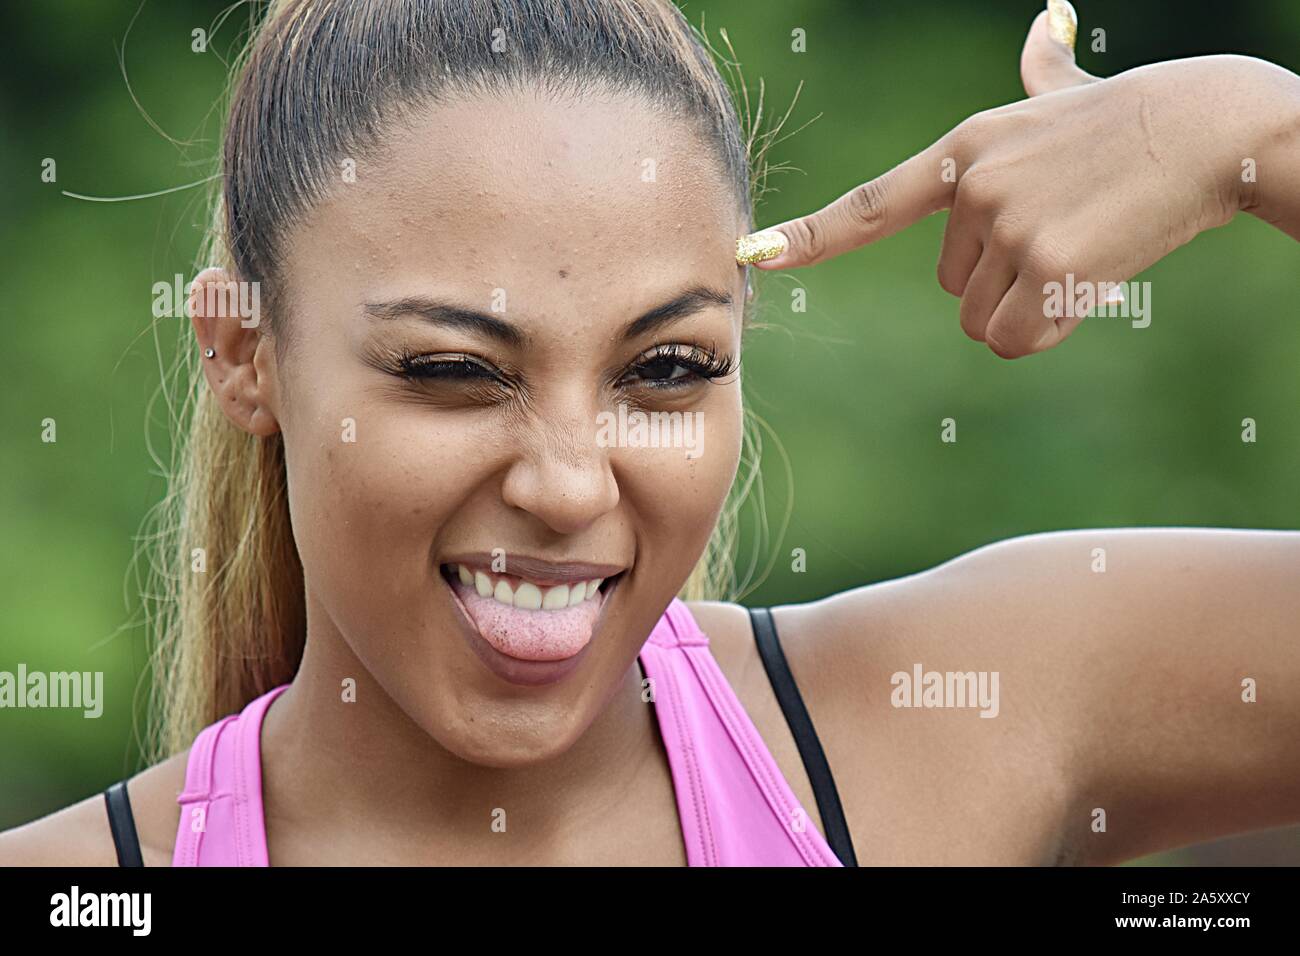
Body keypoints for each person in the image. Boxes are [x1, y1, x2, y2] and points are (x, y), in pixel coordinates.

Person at [1, 0, 1297, 866]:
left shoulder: (940, 733)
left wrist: (1253, 130)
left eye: (667, 367)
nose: (569, 484)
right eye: (454, 370)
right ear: (244, 354)